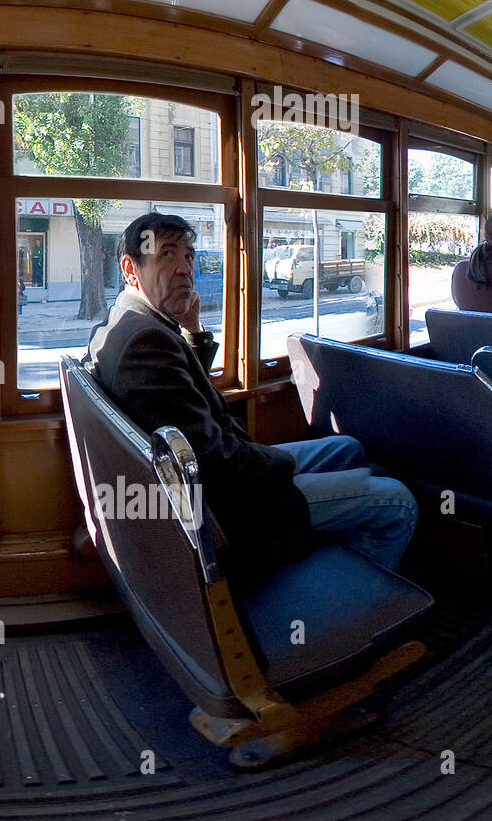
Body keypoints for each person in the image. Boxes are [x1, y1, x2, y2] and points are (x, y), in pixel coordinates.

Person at [86, 212, 417, 573]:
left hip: (221, 478)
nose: (185, 268)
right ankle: (357, 603)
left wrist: (192, 330)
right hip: (233, 510)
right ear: (130, 269)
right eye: (167, 254)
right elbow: (215, 463)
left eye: (189, 255)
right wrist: (281, 465)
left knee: (348, 448)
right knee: (398, 502)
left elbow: (182, 393)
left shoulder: (124, 323)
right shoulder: (145, 342)